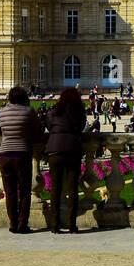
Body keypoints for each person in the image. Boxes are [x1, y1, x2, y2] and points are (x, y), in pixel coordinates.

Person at [0, 86, 45, 234]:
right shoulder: (28, 111)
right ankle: (22, 224)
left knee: (10, 193)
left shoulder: (2, 112)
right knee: (24, 191)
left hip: (4, 154)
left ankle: (12, 224)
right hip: (22, 154)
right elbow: (38, 132)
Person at [44, 87, 87, 233]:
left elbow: (49, 127)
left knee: (55, 189)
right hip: (72, 150)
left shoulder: (53, 112)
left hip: (55, 151)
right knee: (72, 189)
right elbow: (81, 128)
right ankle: (72, 225)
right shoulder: (79, 112)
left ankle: (55, 225)